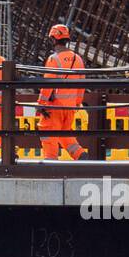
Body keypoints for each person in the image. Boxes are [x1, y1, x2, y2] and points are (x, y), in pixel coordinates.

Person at [38, 24, 87, 160]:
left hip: (54, 107)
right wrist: (77, 103)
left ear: (53, 39)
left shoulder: (54, 59)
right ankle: (80, 154)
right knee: (64, 133)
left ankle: (50, 162)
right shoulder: (78, 59)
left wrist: (41, 103)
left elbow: (47, 85)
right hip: (70, 107)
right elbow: (81, 85)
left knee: (48, 132)